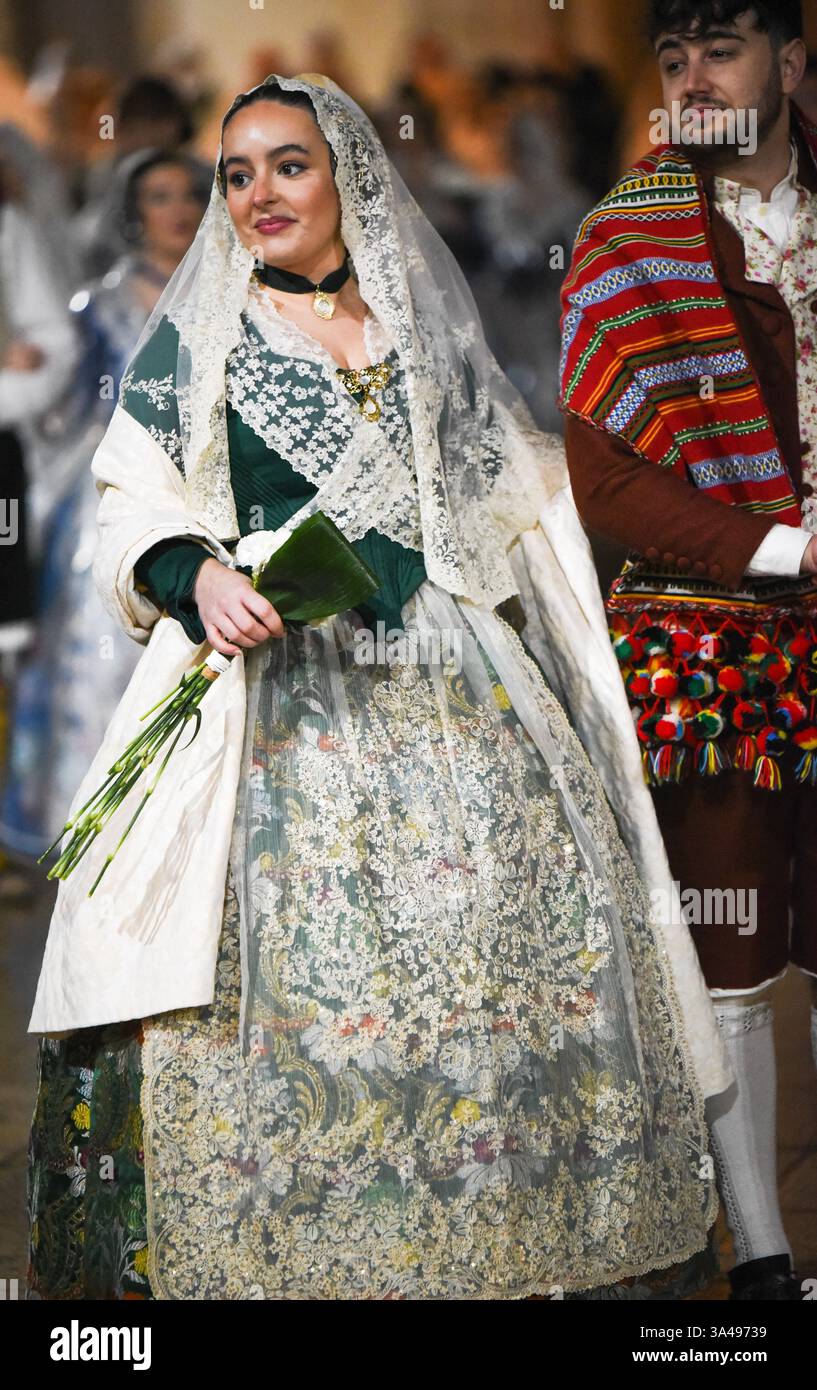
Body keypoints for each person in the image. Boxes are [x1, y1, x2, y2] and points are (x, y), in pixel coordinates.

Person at [25, 73, 729, 1302]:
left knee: (497, 949)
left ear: (345, 171)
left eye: (285, 165)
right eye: (237, 173)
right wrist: (196, 576)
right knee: (319, 980)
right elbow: (131, 493)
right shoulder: (201, 341)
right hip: (283, 704)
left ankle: (508, 1232)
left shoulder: (423, 333)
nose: (257, 194)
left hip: (460, 691)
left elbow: (516, 497)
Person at [561, 0, 815, 1300]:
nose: (692, 77)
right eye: (671, 57)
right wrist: (773, 549)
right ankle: (763, 1259)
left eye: (720, 48)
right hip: (706, 641)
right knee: (729, 954)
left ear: (792, 57)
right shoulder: (624, 240)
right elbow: (601, 479)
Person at [0, 150, 207, 862]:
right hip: (111, 497)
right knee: (97, 650)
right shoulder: (100, 307)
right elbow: (59, 407)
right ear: (132, 211)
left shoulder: (225, 296)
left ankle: (185, 824)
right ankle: (97, 820)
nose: (177, 210)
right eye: (157, 196)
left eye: (188, 194)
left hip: (208, 495)